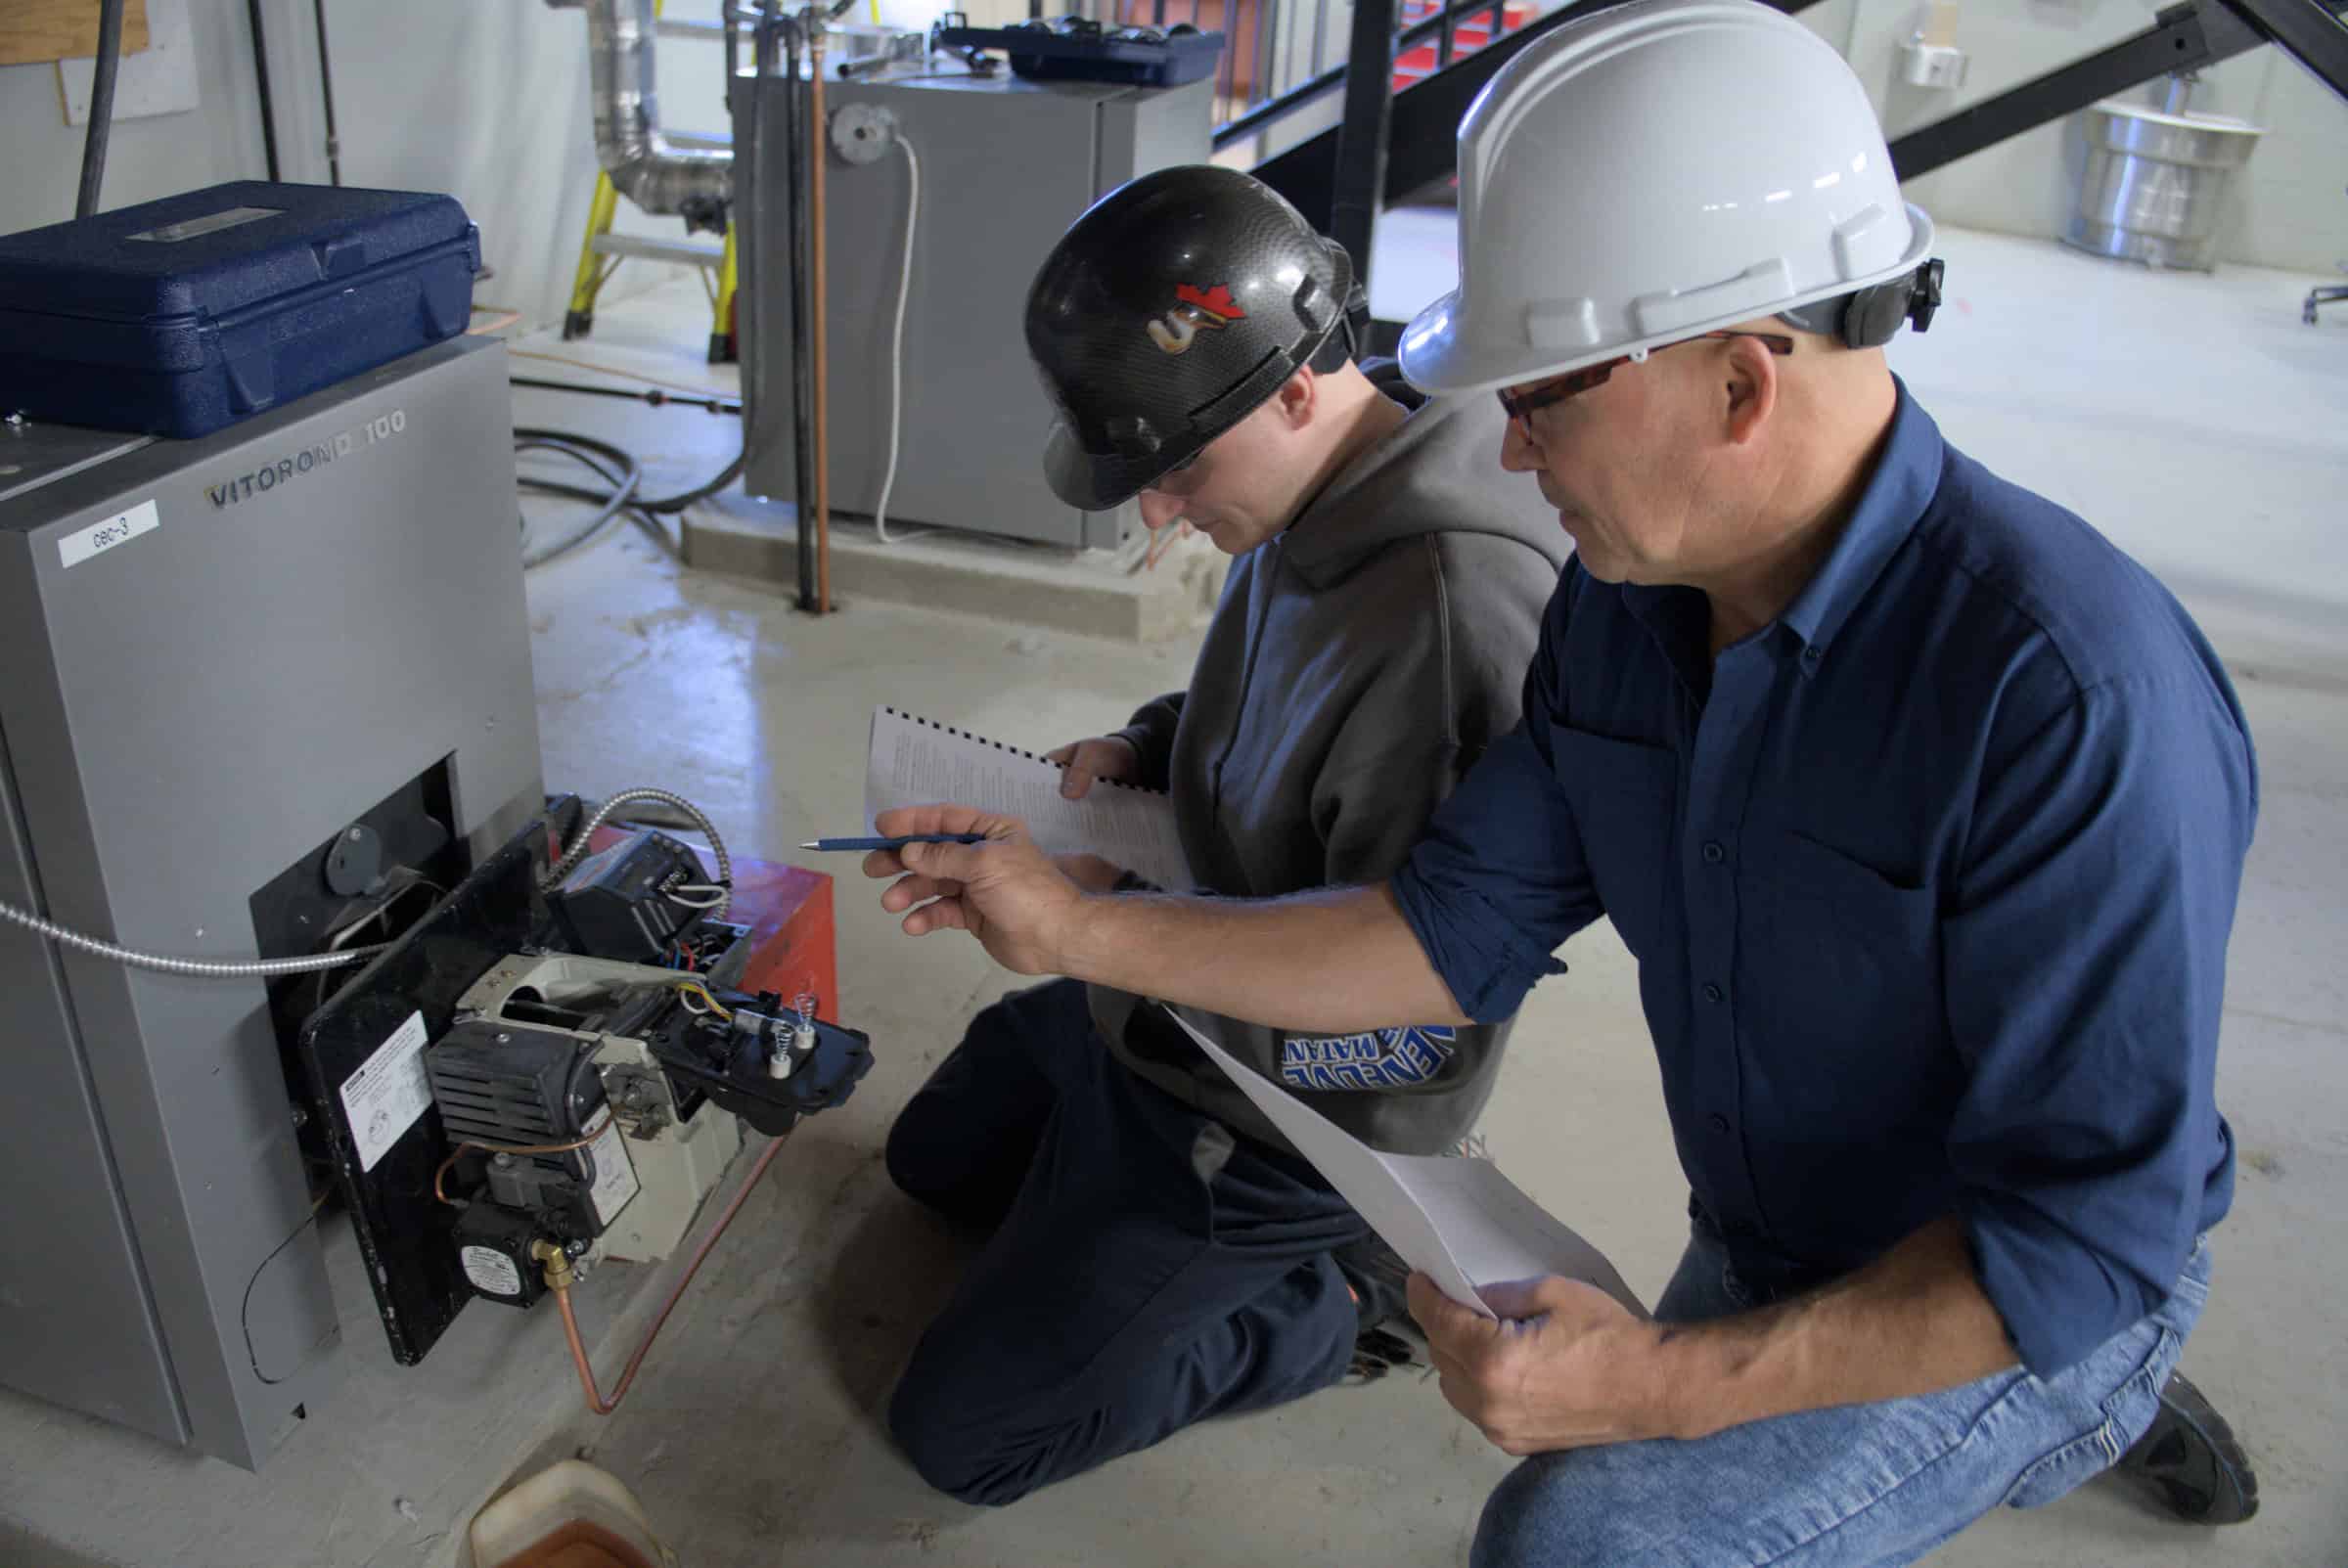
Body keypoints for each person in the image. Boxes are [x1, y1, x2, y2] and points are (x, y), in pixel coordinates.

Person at [862, 1, 2264, 1557]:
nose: (1509, 458)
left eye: (1543, 401)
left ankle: (2085, 1397)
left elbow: (2078, 1236)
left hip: (2017, 1264)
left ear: (1742, 386)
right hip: (1777, 1226)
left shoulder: (2067, 701)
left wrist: (1667, 1384)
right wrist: (1072, 932)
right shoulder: (1630, 611)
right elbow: (1441, 933)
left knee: (1566, 1540)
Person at [880, 164, 1569, 1507]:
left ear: (1297, 386)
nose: (1154, 510)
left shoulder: (1442, 612)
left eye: (1176, 468)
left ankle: (1348, 1295)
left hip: (1276, 1105)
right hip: (1161, 985)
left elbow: (1399, 981)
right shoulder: (1313, 480)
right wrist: (1142, 750)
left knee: (965, 1438)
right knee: (930, 1168)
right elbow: (1267, 693)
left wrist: (1086, 931)